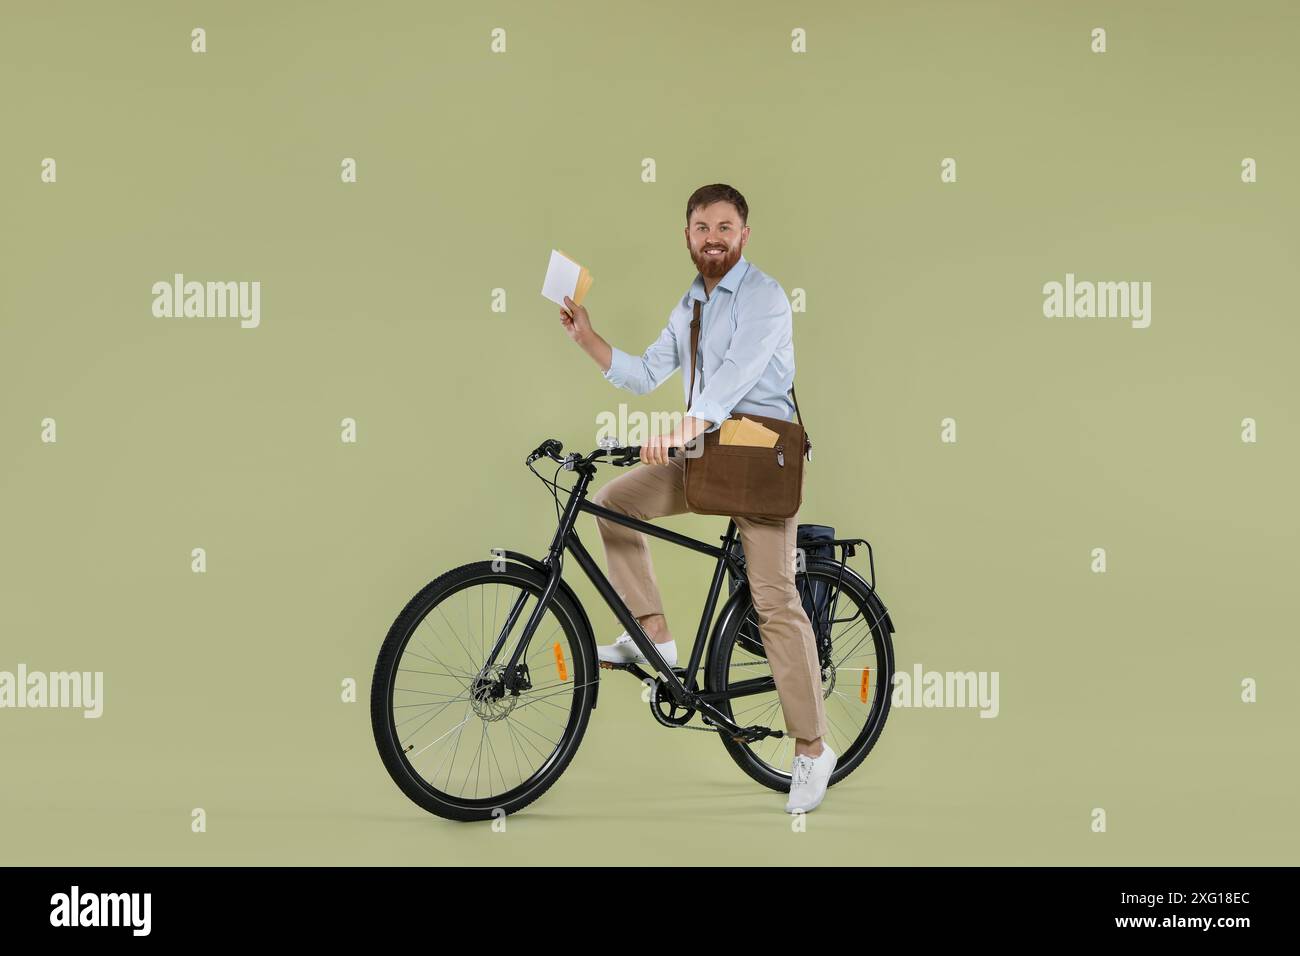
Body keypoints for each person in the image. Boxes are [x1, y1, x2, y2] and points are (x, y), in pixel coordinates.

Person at [556, 183, 836, 813]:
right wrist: (588, 338)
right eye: (702, 227)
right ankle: (654, 635)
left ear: (744, 235)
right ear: (687, 237)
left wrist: (685, 427)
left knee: (773, 600)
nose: (713, 236)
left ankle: (814, 750)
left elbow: (737, 374)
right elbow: (647, 370)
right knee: (616, 502)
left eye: (725, 226)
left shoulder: (764, 298)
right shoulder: (692, 303)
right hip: (708, 452)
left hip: (760, 456)